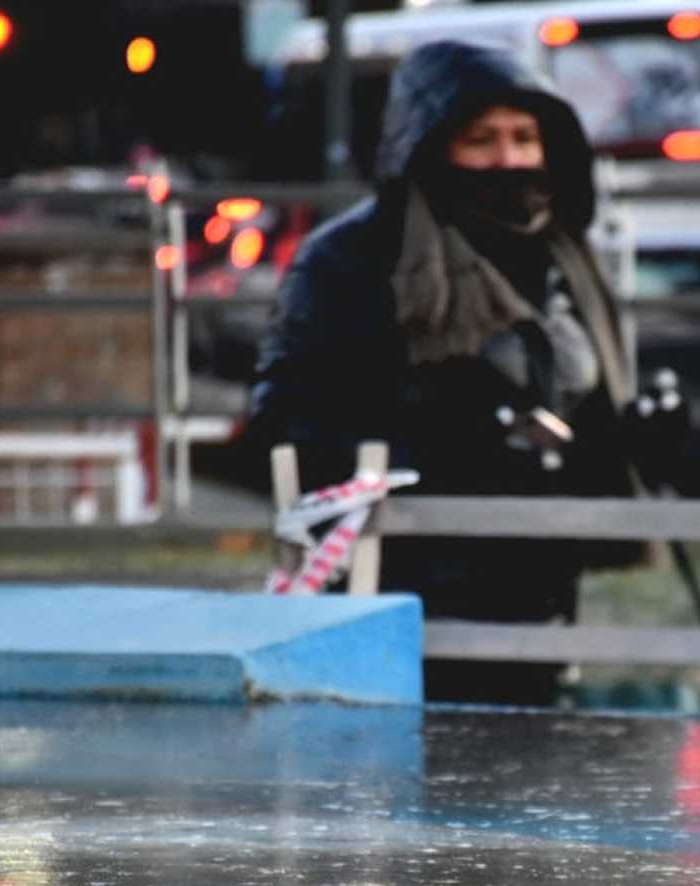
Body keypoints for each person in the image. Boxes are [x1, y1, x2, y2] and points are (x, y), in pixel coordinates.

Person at [245, 39, 659, 706]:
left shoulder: (564, 257)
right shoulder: (351, 260)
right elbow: (280, 420)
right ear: (430, 146)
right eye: (481, 139)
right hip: (398, 590)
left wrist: (639, 440)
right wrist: (433, 442)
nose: (508, 159)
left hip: (539, 588)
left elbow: (585, 418)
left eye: (525, 137)